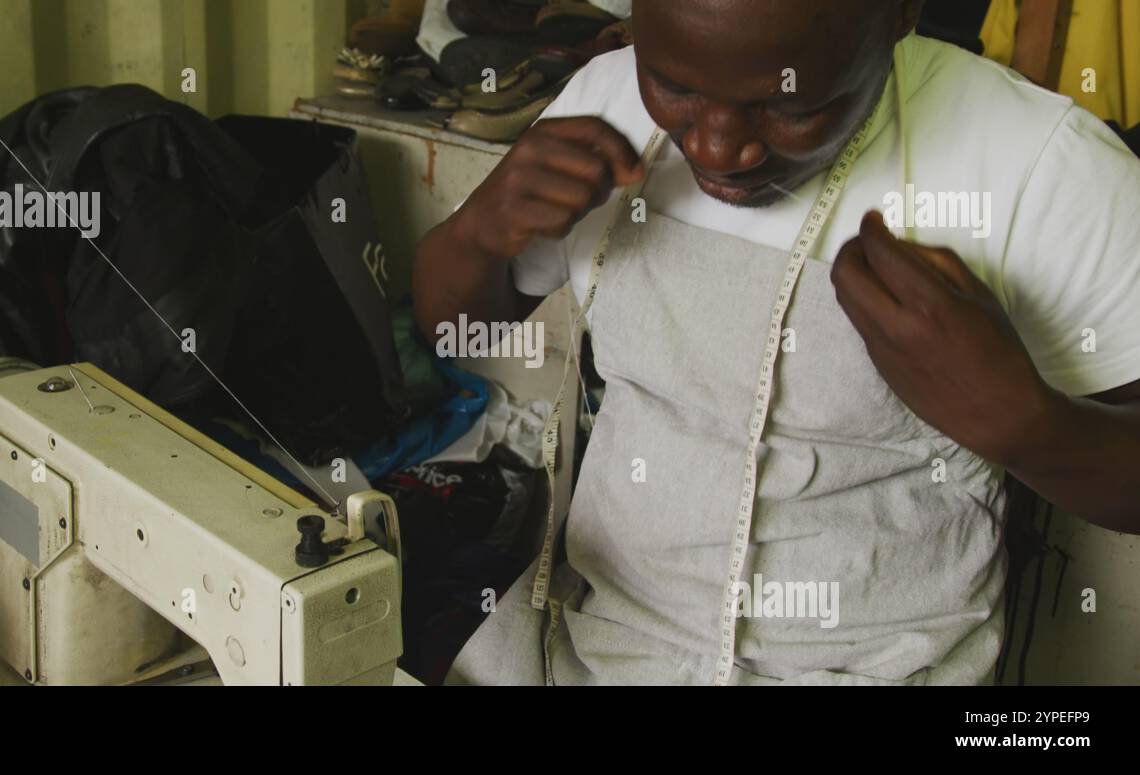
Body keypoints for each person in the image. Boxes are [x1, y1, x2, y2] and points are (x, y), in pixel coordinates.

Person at [412, 0, 1140, 685]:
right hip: (597, 646)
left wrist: (1028, 427)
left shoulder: (1040, 169)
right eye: (673, 84)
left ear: (901, 14)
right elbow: (449, 329)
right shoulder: (604, 103)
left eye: (788, 104)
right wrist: (478, 234)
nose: (718, 147)